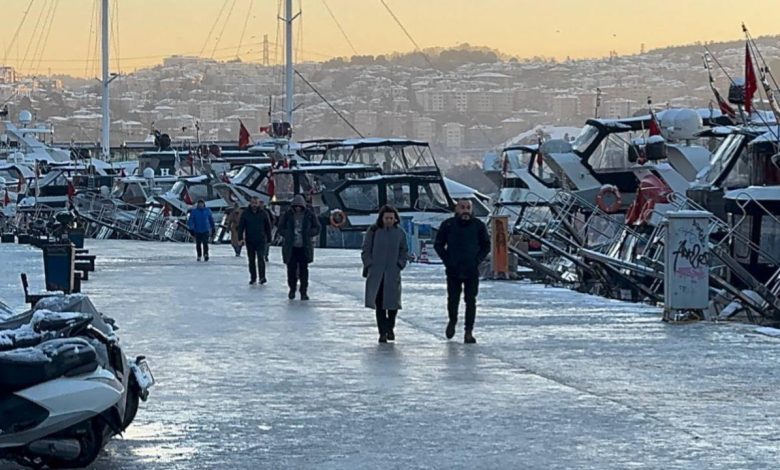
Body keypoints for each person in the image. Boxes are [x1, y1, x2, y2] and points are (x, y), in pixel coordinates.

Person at [434, 199, 490, 344]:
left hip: (471, 269)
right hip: (453, 269)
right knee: (453, 299)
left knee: (470, 301)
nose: (465, 210)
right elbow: (438, 245)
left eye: (468, 208)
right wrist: (447, 260)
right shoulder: (448, 225)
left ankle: (468, 331)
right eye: (462, 207)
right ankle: (452, 321)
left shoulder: (478, 225)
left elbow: (486, 245)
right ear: (456, 209)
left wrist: (477, 260)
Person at [362, 205, 408, 343]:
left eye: (391, 218)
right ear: (381, 218)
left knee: (393, 303)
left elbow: (404, 250)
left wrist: (400, 264)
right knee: (379, 304)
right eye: (386, 218)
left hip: (393, 273)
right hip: (377, 273)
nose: (389, 220)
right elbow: (366, 249)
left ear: (395, 219)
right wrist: (369, 263)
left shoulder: (399, 233)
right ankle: (382, 332)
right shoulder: (373, 231)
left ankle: (390, 327)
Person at [278, 194, 321, 300]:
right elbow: (280, 227)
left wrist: (309, 233)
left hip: (304, 247)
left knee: (304, 271)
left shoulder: (309, 214)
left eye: (299, 206)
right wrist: (287, 234)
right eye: (296, 206)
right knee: (291, 270)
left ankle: (303, 291)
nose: (297, 208)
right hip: (291, 247)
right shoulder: (288, 214)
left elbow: (317, 227)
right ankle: (292, 289)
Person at [237, 197, 273, 285]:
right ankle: (253, 277)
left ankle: (262, 277)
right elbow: (241, 227)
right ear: (250, 203)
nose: (254, 205)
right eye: (253, 203)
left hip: (261, 240)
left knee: (261, 258)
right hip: (250, 240)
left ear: (258, 203)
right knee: (251, 260)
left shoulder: (263, 213)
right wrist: (240, 238)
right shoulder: (245, 213)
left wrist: (269, 238)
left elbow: (268, 227)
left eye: (256, 203)